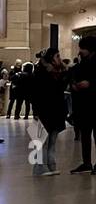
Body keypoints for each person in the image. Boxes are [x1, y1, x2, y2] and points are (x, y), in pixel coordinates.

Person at [67, 36, 96, 175]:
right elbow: (73, 74)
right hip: (83, 103)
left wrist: (90, 83)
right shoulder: (83, 62)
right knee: (85, 133)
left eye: (83, 48)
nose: (80, 51)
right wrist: (74, 84)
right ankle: (87, 162)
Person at [28, 48, 67, 177]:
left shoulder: (58, 72)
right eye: (57, 56)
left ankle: (51, 165)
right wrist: (36, 111)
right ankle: (39, 167)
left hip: (56, 109)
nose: (59, 59)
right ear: (51, 58)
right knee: (42, 141)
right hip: (45, 110)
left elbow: (60, 88)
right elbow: (36, 93)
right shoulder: (41, 73)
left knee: (52, 140)